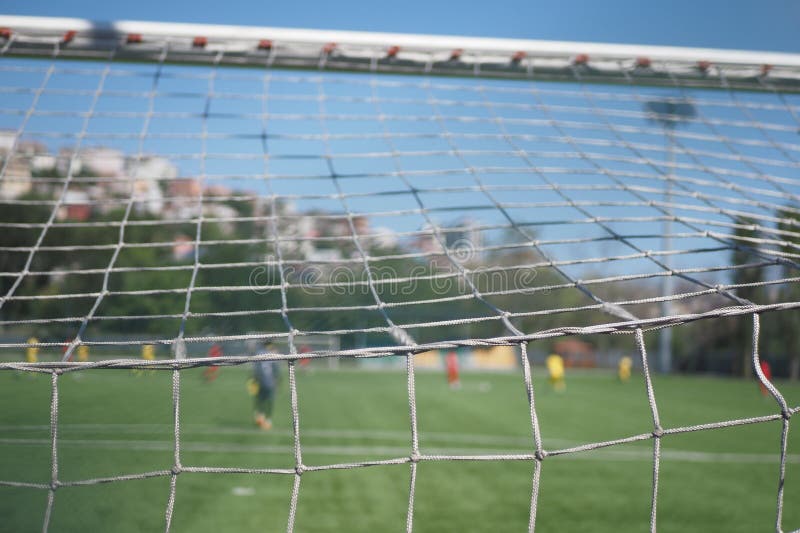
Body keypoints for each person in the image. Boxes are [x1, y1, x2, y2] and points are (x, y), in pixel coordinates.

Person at [250, 341, 281, 430]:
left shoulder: (258, 353)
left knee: (260, 400)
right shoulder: (273, 354)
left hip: (260, 381)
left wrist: (254, 379)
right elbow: (276, 369)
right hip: (270, 382)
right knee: (270, 401)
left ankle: (260, 415)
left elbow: (256, 368)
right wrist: (278, 381)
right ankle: (268, 420)